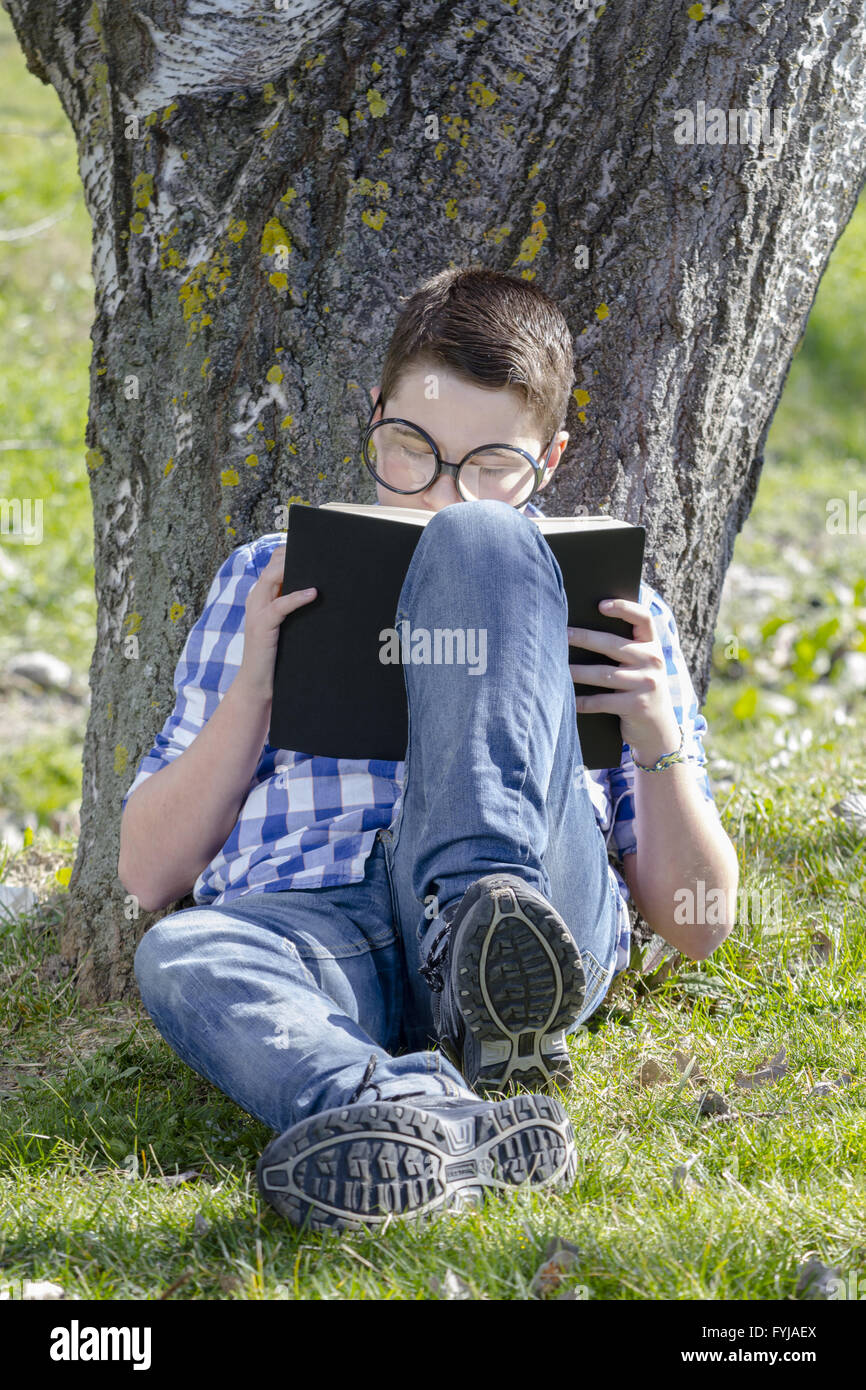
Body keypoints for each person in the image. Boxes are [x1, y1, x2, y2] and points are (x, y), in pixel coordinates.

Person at [119, 266, 739, 1232]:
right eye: (412, 450)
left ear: (553, 459)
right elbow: (150, 873)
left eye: (493, 465)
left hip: (539, 913)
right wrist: (253, 688)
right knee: (184, 950)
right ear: (374, 416)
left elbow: (697, 923)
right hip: (326, 932)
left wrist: (661, 741)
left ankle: (482, 925)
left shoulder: (614, 609)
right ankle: (410, 1115)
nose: (441, 491)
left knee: (481, 545)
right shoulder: (265, 577)